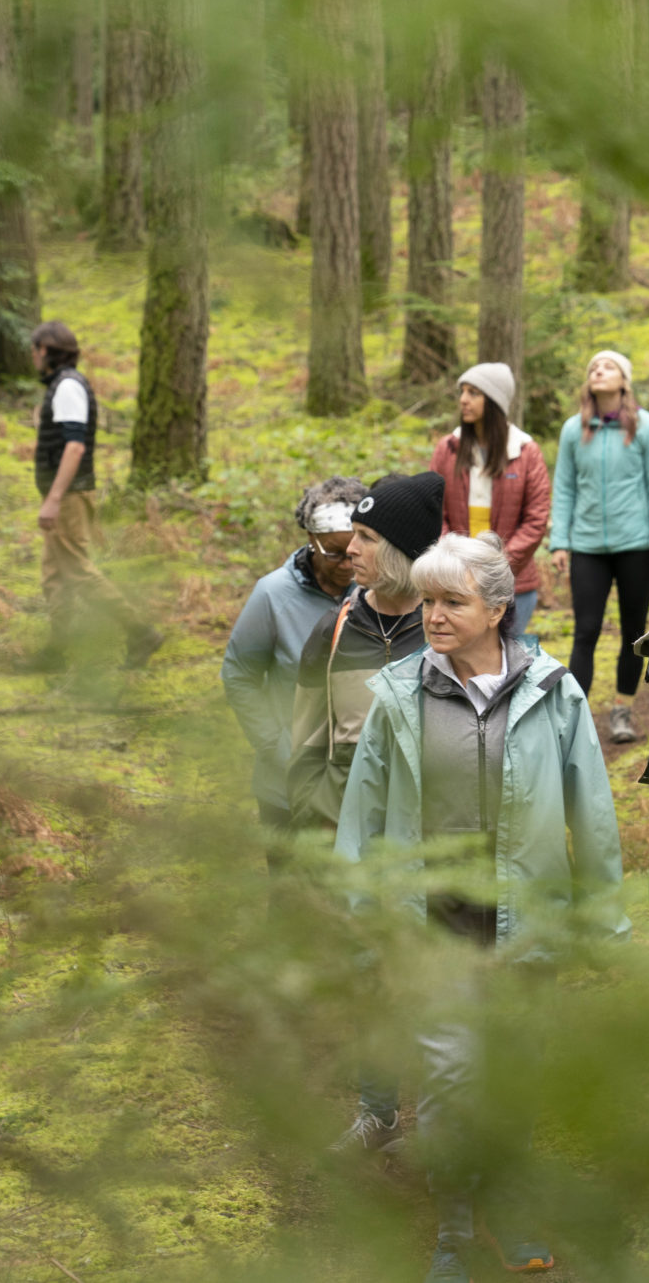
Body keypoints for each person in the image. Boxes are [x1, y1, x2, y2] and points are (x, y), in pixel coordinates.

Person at [335, 532, 625, 1283]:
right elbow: (362, 817)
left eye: (452, 602)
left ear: (497, 610)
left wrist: (601, 919)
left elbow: (592, 812)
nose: (433, 615)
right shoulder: (399, 696)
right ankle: (456, 1227)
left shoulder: (553, 693)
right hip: (430, 924)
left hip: (524, 925)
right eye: (428, 600)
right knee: (447, 1079)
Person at [286, 470, 446, 1153]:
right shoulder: (333, 630)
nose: (349, 548)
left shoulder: (449, 628)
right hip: (354, 839)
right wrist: (320, 823)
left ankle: (441, 1124)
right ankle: (378, 1114)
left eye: (368, 537)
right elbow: (305, 743)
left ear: (404, 553)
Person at [221, 477, 367, 838]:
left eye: (354, 552)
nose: (346, 565)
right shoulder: (273, 595)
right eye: (334, 553)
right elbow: (239, 674)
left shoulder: (373, 592)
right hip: (286, 780)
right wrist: (274, 743)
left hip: (359, 780)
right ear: (311, 540)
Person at [548, 349, 649, 744]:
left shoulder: (646, 427)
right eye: (594, 368)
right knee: (585, 631)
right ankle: (574, 717)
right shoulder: (574, 430)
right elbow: (564, 487)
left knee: (633, 632)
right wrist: (560, 541)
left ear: (624, 381)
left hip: (637, 545)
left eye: (608, 367)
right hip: (587, 546)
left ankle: (622, 710)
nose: (598, 371)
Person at [27, 320, 161, 671]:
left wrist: (54, 498)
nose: (32, 357)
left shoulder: (68, 386)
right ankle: (56, 652)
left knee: (78, 572)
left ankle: (140, 631)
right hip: (65, 494)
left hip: (69, 496)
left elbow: (74, 447)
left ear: (45, 350)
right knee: (54, 575)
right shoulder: (62, 385)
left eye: (34, 350)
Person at [430, 362, 551, 635]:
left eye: (473, 393)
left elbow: (536, 520)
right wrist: (456, 563)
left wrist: (496, 568)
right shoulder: (448, 449)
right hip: (454, 580)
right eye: (462, 391)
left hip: (513, 584)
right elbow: (434, 511)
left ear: (495, 401)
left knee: (507, 657)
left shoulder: (526, 452)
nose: (463, 400)